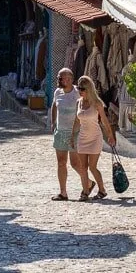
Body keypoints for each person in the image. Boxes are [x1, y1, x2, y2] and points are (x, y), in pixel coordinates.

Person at [72, 74, 116, 200]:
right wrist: (71, 136)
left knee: (92, 167)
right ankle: (85, 192)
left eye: (83, 89)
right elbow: (76, 121)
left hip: (95, 137)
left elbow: (104, 120)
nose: (80, 91)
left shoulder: (97, 103)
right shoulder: (78, 103)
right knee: (83, 167)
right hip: (82, 137)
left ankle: (102, 190)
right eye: (79, 88)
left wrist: (110, 136)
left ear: (89, 89)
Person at [50, 67, 80, 201]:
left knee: (75, 163)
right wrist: (53, 122)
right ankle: (63, 192)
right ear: (59, 79)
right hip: (60, 132)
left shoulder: (77, 93)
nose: (66, 81)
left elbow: (83, 108)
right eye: (63, 78)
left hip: (74, 132)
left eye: (69, 78)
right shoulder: (58, 92)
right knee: (61, 162)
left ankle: (89, 183)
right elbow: (54, 106)